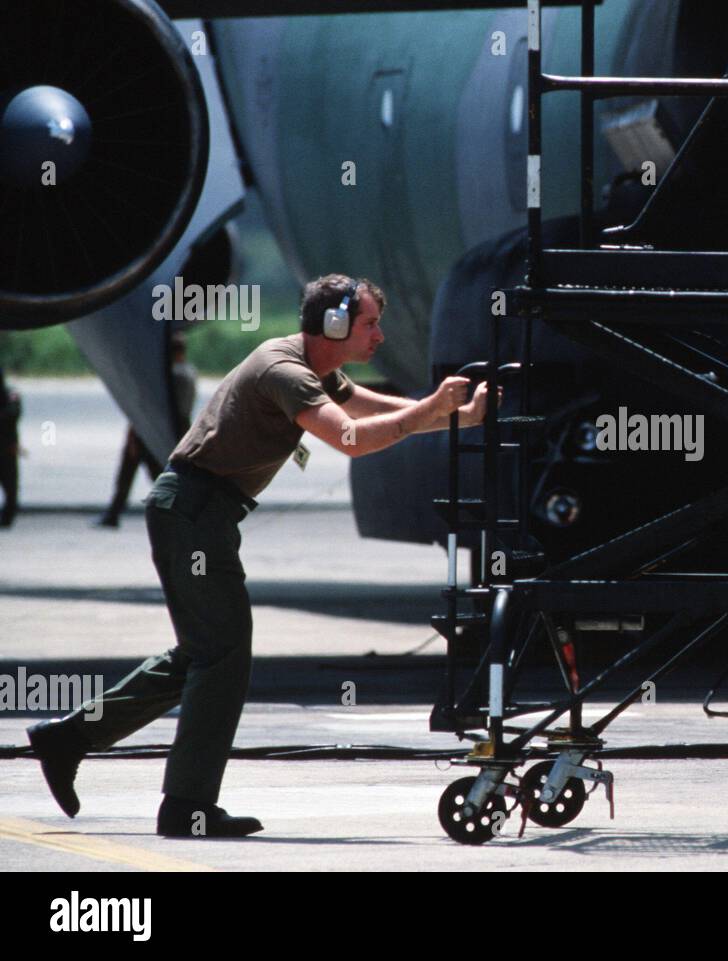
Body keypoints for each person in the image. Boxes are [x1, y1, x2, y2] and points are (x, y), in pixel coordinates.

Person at [27, 274, 496, 838]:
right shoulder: (286, 371)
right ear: (335, 325)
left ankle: (69, 738)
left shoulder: (315, 367)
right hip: (193, 513)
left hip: (202, 515)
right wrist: (432, 413)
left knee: (203, 653)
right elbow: (350, 438)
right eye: (370, 323)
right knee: (223, 655)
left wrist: (446, 414)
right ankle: (186, 806)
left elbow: (365, 403)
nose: (379, 334)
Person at [97, 333, 198, 528]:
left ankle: (117, 512)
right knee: (159, 474)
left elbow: (148, 406)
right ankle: (117, 511)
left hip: (152, 430)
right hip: (177, 429)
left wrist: (134, 434)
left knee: (145, 473)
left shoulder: (169, 375)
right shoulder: (188, 372)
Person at [0, 367, 20, 528]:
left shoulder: (11, 395)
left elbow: (13, 413)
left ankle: (8, 516)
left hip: (7, 445)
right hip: (7, 444)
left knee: (10, 485)